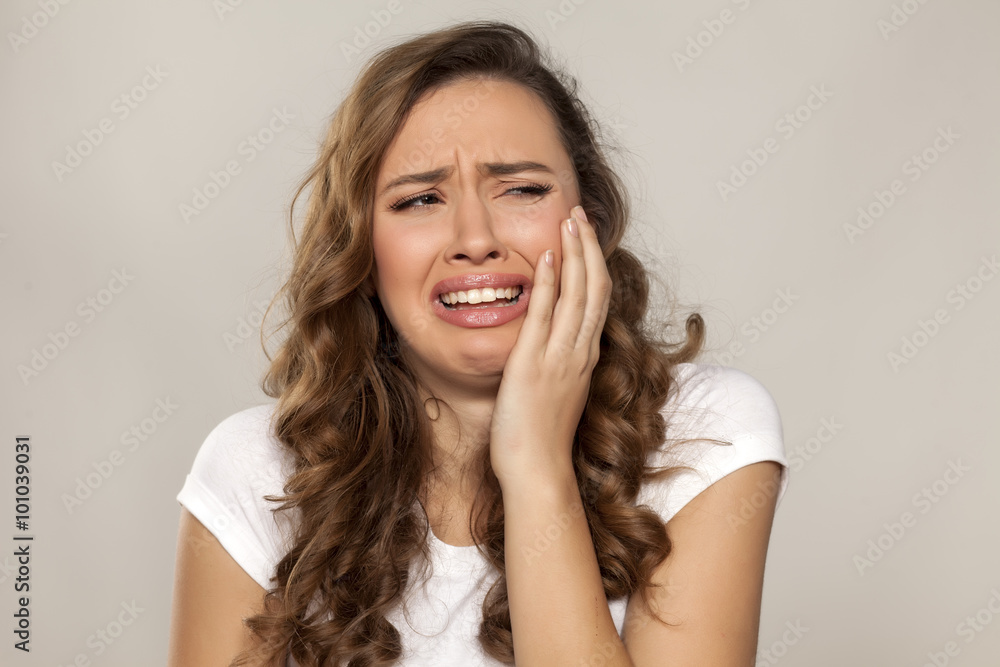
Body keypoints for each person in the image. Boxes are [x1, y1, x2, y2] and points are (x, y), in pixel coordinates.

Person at [167, 19, 787, 667]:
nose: (475, 236)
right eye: (420, 199)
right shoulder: (255, 470)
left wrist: (536, 464)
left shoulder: (706, 434)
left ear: (591, 223)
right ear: (363, 253)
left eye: (521, 189)